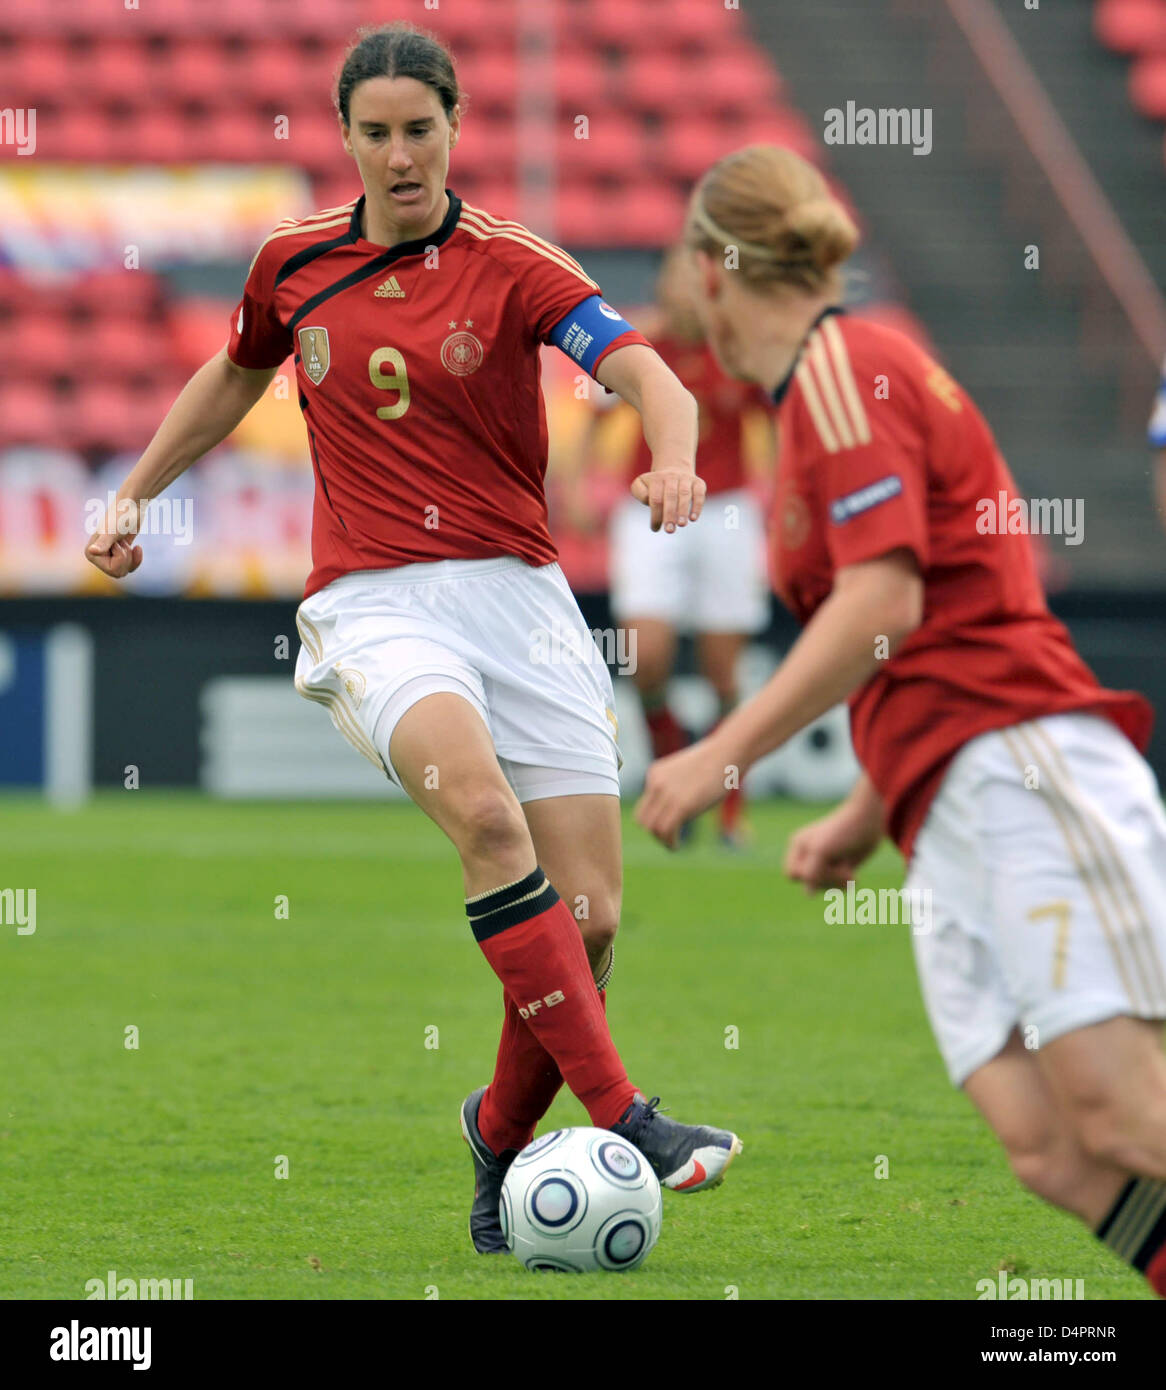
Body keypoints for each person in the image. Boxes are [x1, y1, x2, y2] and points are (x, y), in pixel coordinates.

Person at [84, 22, 741, 1256]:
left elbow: (657, 375)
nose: (399, 154)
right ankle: (625, 1115)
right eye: (376, 132)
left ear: (453, 129)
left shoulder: (513, 264)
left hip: (523, 602)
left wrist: (671, 461)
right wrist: (135, 491)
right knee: (489, 827)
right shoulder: (291, 264)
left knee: (589, 919)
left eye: (419, 129)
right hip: (374, 605)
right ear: (342, 137)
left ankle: (495, 1137)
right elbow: (235, 373)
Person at [637, 142, 1166, 1296]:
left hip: (1018, 761)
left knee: (1126, 1116)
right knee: (1045, 1140)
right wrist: (863, 810)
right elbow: (910, 628)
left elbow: (885, 602)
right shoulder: (822, 396)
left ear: (714, 273)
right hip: (944, 800)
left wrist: (719, 754)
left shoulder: (845, 368)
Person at [564, 246, 774, 845]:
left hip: (728, 509)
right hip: (651, 508)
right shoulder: (641, 348)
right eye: (677, 279)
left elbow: (776, 425)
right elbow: (595, 420)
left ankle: (730, 807)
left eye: (697, 280)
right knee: (647, 655)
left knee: (722, 670)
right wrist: (580, 490)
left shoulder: (739, 351)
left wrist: (784, 496)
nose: (686, 292)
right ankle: (668, 765)